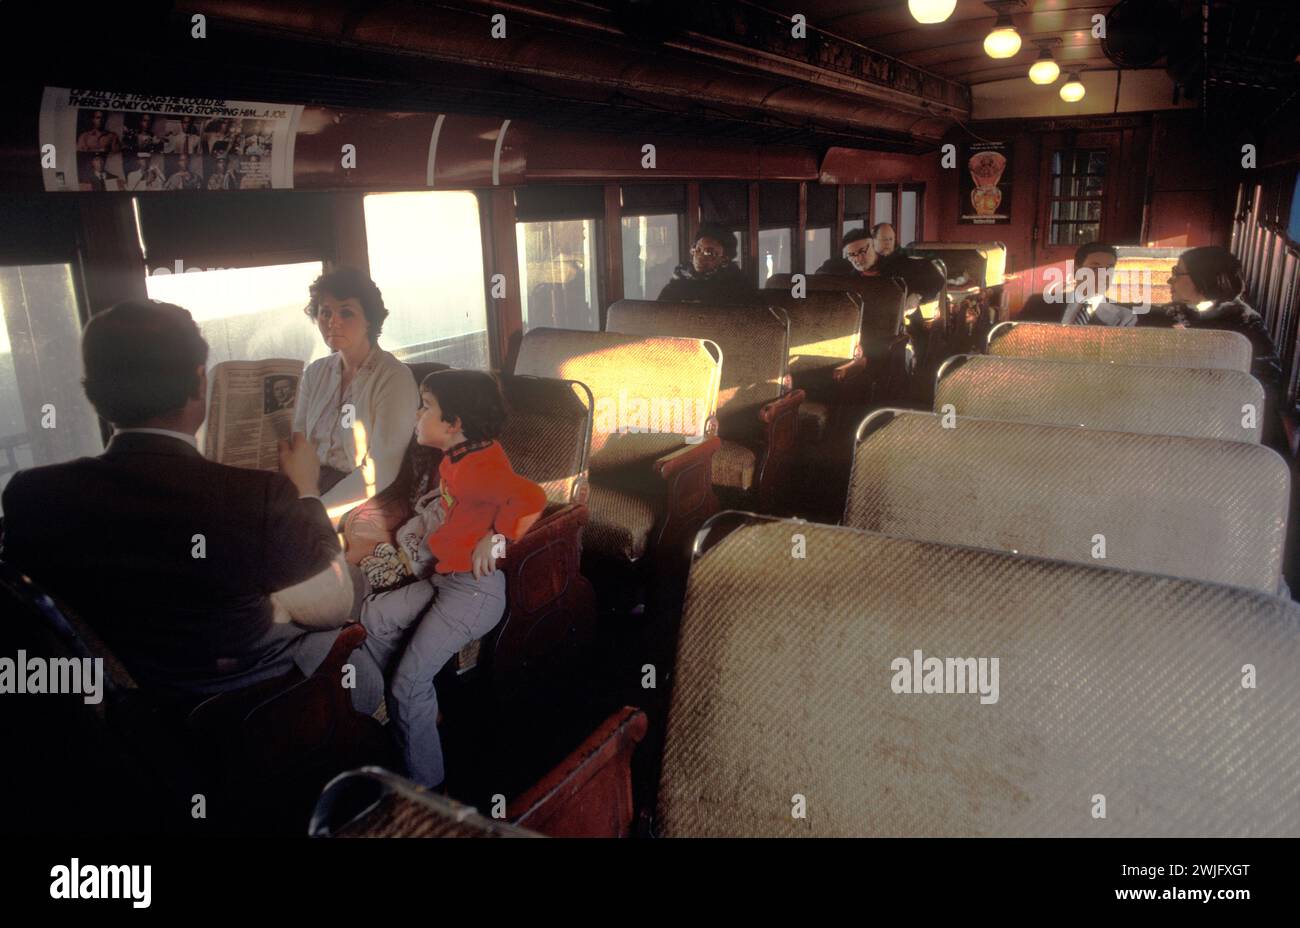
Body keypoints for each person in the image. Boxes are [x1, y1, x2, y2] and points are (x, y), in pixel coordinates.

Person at [0, 301, 391, 711]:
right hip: (254, 704)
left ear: (93, 393)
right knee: (357, 629)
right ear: (201, 383)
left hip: (126, 711)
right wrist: (305, 490)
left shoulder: (33, 495)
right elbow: (330, 610)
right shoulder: (255, 496)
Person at [344, 369, 547, 787]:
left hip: (472, 595)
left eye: (425, 407)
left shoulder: (479, 469)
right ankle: (413, 710)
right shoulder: (460, 457)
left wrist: (497, 537)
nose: (417, 415)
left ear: (454, 424)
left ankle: (427, 789)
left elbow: (532, 496)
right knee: (373, 616)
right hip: (446, 582)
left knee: (408, 684)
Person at [293, 268, 419, 514]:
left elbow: (381, 469)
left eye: (346, 312)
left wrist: (317, 511)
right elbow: (298, 443)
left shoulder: (394, 377)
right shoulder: (315, 373)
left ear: (369, 320)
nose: (333, 321)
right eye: (325, 312)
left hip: (366, 492)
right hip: (311, 485)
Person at [1158, 246, 1280, 384]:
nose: (1170, 280)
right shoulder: (1170, 312)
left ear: (1203, 278)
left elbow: (1264, 381)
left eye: (1177, 273)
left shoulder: (1245, 323)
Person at [1020, 242, 1131, 325]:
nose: (1103, 275)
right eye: (1095, 268)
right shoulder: (1038, 304)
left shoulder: (1125, 316)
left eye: (1109, 268)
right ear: (1076, 271)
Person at [657, 223, 754, 303]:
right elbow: (660, 312)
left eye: (709, 253)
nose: (699, 256)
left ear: (725, 258)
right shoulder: (680, 279)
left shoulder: (737, 286)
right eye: (698, 249)